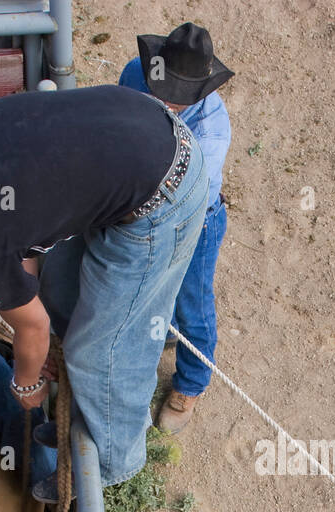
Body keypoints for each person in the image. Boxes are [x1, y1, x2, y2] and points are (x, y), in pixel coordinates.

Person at [0, 84, 208, 498]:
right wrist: (38, 352)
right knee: (59, 295)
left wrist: (26, 385)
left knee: (100, 352)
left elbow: (32, 328)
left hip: (164, 190)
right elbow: (18, 248)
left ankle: (112, 466)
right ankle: (84, 415)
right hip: (133, 124)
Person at [118, 23, 234, 434]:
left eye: (178, 95)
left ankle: (192, 383)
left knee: (194, 300)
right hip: (139, 199)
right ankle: (167, 331)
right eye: (161, 85)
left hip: (192, 219)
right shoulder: (136, 74)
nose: (165, 99)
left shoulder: (211, 132)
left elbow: (189, 199)